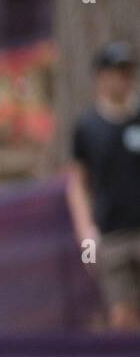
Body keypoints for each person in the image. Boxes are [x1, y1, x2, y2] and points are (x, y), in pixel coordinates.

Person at [66, 42, 140, 332]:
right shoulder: (87, 127)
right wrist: (86, 232)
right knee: (123, 316)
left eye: (127, 71)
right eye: (116, 72)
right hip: (112, 235)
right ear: (101, 77)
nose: (123, 78)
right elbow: (78, 183)